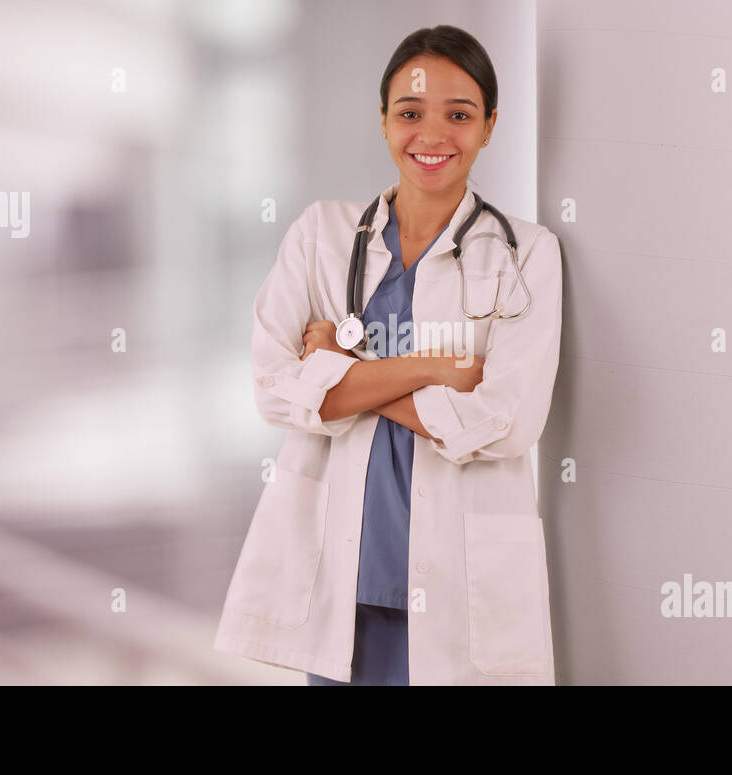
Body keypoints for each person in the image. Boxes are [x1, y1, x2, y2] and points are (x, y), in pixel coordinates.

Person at [213, 24, 564, 686]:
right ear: (382, 121)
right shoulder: (322, 234)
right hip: (344, 585)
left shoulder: (526, 253)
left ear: (489, 125)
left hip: (460, 584)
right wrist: (435, 368)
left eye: (459, 114)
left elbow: (507, 421)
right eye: (410, 112)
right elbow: (272, 386)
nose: (432, 136)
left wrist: (343, 376)